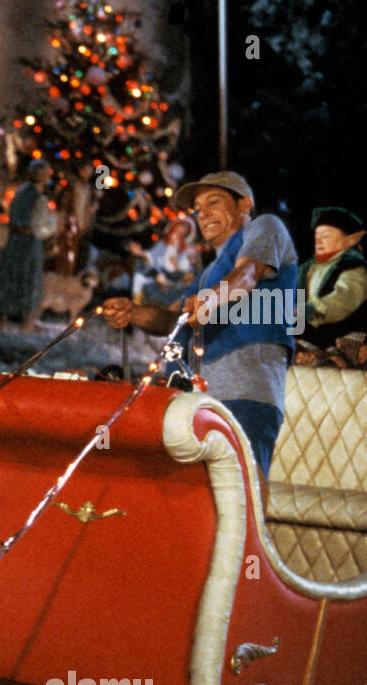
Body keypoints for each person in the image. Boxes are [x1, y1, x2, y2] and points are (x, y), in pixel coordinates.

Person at [102, 171, 298, 478]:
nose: (201, 212)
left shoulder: (264, 227)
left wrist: (209, 300)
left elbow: (247, 276)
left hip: (245, 389)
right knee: (197, 499)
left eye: (213, 201)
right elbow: (173, 319)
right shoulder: (209, 273)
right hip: (195, 394)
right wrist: (132, 313)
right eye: (196, 207)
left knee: (246, 489)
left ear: (244, 203)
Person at [295, 206, 367, 352]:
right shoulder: (307, 269)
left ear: (351, 240)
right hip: (312, 336)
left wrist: (307, 309)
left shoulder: (353, 268)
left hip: (344, 336)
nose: (319, 241)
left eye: (326, 236)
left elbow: (342, 300)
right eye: (316, 236)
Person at [0, 158, 53, 330]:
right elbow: (39, 228)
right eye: (46, 172)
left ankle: (3, 318)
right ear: (40, 175)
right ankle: (27, 321)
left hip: (14, 239)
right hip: (30, 241)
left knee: (10, 276)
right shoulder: (39, 198)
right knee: (31, 278)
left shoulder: (20, 192)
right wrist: (54, 225)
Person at [130, 216, 199, 308]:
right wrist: (141, 254)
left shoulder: (188, 252)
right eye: (174, 231)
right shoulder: (161, 245)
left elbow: (188, 273)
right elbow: (151, 258)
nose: (175, 236)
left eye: (180, 233)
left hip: (175, 287)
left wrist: (175, 266)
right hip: (157, 284)